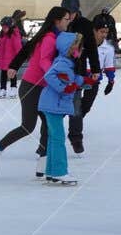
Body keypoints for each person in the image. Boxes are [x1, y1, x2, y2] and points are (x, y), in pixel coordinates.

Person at [0, 2, 77, 179]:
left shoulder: (55, 36)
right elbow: (43, 61)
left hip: (41, 87)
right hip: (32, 86)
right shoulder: (49, 38)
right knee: (28, 126)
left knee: (48, 125)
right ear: (57, 21)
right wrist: (57, 75)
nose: (68, 22)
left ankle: (44, 164)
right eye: (66, 19)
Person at [38, 31, 93, 186]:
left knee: (53, 137)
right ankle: (60, 172)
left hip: (52, 104)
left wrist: (85, 81)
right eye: (79, 47)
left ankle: (51, 172)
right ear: (71, 49)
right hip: (52, 104)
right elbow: (49, 76)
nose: (81, 50)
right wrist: (64, 88)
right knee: (58, 138)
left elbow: (71, 79)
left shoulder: (66, 63)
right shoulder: (62, 62)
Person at [66, 14, 117, 157]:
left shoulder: (108, 48)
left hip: (93, 81)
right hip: (78, 78)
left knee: (85, 107)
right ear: (93, 30)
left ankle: (76, 122)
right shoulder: (81, 42)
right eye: (101, 32)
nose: (104, 35)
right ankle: (75, 132)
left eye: (106, 32)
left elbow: (109, 66)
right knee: (75, 106)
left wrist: (111, 81)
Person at [0, 16, 23, 99]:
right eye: (2, 27)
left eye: (5, 27)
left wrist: (19, 57)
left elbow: (18, 46)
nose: (4, 29)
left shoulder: (14, 35)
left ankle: (13, 88)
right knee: (3, 74)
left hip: (12, 59)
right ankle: (2, 89)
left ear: (10, 26)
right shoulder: (2, 34)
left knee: (12, 74)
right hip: (3, 58)